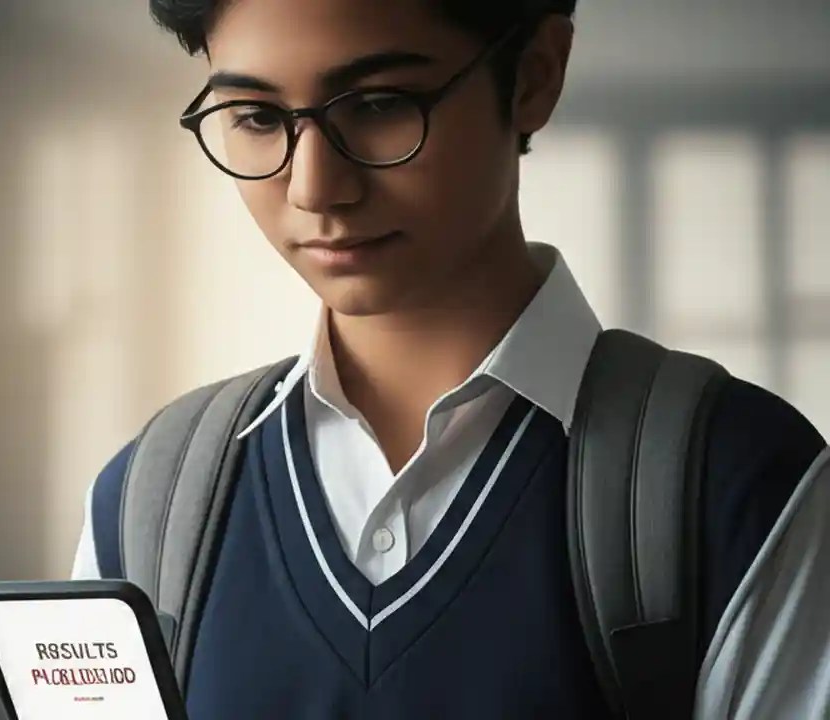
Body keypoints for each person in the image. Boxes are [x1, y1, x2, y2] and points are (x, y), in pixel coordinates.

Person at [71, 0, 830, 717]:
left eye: (376, 105)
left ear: (534, 77)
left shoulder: (740, 482)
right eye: (258, 118)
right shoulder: (152, 502)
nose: (314, 188)